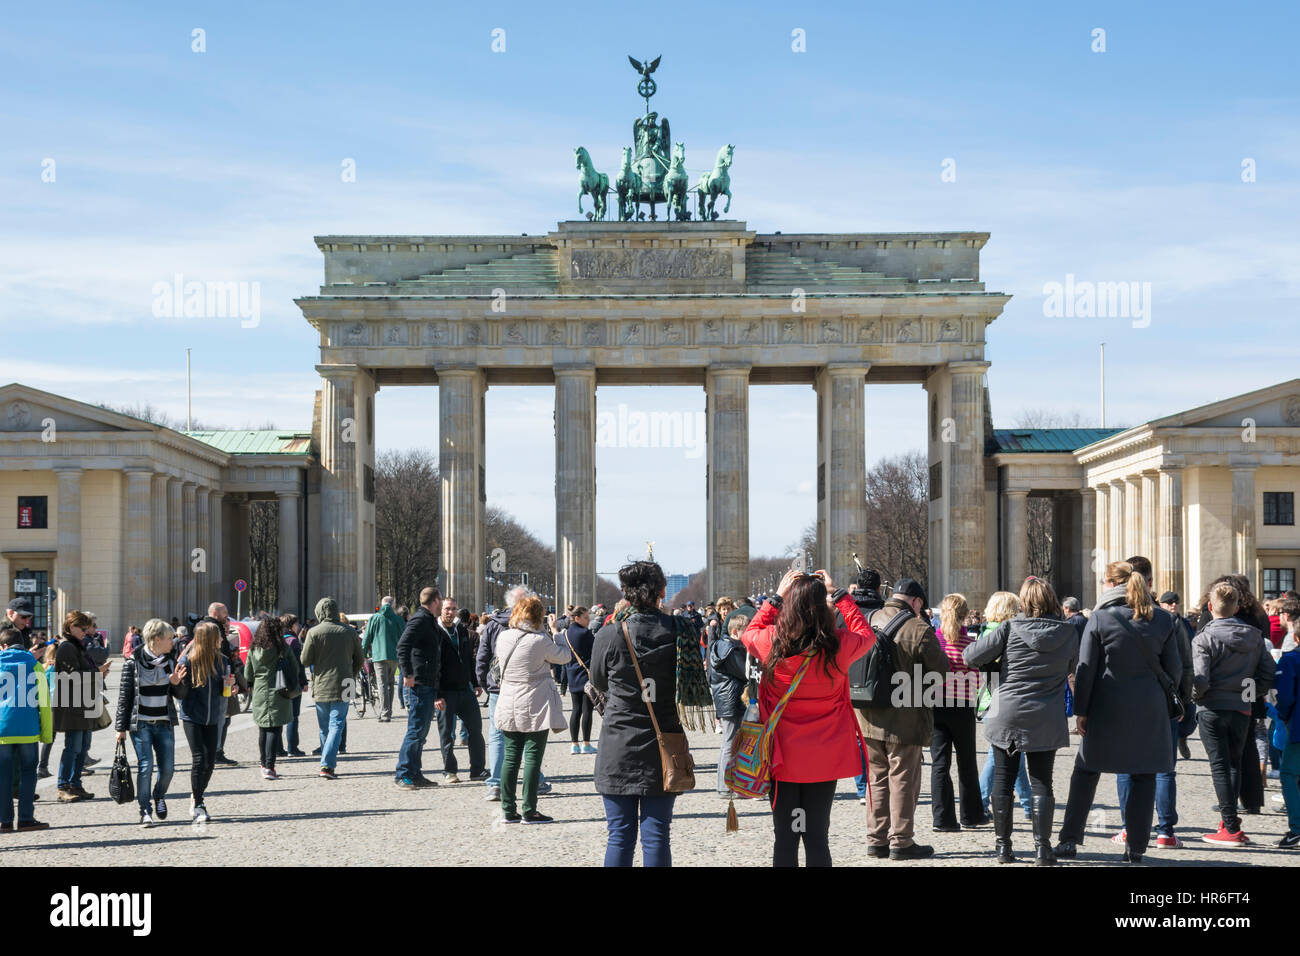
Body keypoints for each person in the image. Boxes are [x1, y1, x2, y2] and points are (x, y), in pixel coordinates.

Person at [740, 568, 874, 865]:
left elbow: (748, 633)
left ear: (790, 606)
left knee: (785, 838)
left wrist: (775, 598)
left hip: (783, 755)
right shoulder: (837, 646)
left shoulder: (773, 642)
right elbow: (866, 635)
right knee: (816, 837)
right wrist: (839, 595)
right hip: (824, 756)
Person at [1056, 562, 1180, 864]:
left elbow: (1085, 670)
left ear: (1112, 583)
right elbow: (1174, 670)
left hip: (1106, 706)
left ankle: (1070, 839)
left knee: (1085, 773)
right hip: (1149, 708)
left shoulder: (1099, 619)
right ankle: (1135, 848)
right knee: (1144, 775)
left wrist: (1081, 711)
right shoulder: (1163, 620)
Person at [591, 560, 711, 866]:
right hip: (664, 740)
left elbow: (598, 681)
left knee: (619, 834)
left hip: (619, 741)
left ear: (626, 593)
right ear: (661, 591)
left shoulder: (610, 633)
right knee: (657, 833)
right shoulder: (679, 630)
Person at [964, 577, 1078, 865]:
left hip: (1008, 712)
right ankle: (1043, 849)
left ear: (1024, 601)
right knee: (1042, 781)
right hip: (1046, 714)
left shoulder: (1009, 627)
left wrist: (997, 662)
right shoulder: (1068, 632)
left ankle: (1003, 848)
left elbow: (970, 656)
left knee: (1003, 779)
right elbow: (1072, 668)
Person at [856, 577, 949, 860]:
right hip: (905, 717)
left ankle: (876, 839)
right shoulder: (918, 627)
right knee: (903, 779)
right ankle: (901, 841)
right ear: (917, 601)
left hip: (868, 714)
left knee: (876, 778)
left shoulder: (869, 618)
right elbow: (941, 670)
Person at [1190, 580, 1275, 846]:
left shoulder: (1203, 637)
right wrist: (1250, 693)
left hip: (1213, 706)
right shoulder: (1255, 636)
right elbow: (1268, 673)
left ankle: (1229, 825)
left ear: (1210, 606)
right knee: (1234, 763)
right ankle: (1230, 820)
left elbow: (1200, 679)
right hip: (1241, 706)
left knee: (1219, 765)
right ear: (1237, 606)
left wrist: (1197, 696)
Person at [494, 594, 571, 823]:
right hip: (535, 702)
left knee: (510, 757)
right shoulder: (540, 640)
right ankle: (529, 809)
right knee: (532, 757)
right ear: (539, 616)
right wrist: (556, 633)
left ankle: (508, 810)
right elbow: (564, 657)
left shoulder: (504, 637)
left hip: (508, 700)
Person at [114, 618, 187, 827]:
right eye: (169, 638)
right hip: (142, 724)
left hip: (164, 723)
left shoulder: (172, 661)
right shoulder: (132, 662)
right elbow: (124, 696)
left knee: (168, 769)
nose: (173, 642)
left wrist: (176, 684)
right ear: (156, 639)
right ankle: (144, 810)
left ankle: (159, 794)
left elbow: (181, 695)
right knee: (146, 767)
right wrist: (120, 728)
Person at [931, 593, 987, 831]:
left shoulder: (935, 640)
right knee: (966, 762)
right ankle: (971, 815)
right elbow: (977, 676)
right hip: (962, 706)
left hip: (936, 704)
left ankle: (942, 819)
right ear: (965, 616)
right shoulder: (970, 644)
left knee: (939, 763)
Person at [977, 591, 1033, 819]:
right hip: (1003, 699)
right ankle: (979, 802)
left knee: (1013, 754)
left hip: (994, 699)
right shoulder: (1003, 633)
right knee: (999, 755)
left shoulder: (987, 631)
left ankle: (1030, 805)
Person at [300, 597, 365, 780]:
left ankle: (326, 762)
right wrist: (351, 673)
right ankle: (327, 765)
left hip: (321, 683)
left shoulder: (314, 632)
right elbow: (359, 659)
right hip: (346, 681)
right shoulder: (349, 631)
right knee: (337, 724)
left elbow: (305, 660)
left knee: (324, 727)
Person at [177, 621, 233, 822]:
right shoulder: (187, 662)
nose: (221, 639)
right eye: (218, 636)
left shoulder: (223, 660)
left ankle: (196, 794)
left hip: (214, 716)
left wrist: (230, 687)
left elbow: (223, 689)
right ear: (209, 639)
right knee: (199, 758)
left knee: (210, 762)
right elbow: (180, 694)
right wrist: (177, 682)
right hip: (193, 716)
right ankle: (199, 802)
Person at [53, 610, 110, 803]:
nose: (87, 631)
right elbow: (73, 677)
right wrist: (97, 674)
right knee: (73, 747)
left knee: (83, 746)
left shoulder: (78, 646)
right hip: (72, 706)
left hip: (84, 704)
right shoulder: (67, 647)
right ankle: (63, 786)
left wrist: (98, 673)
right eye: (83, 628)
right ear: (71, 627)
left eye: (88, 628)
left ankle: (76, 784)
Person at [0, 623, 52, 833]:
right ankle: (25, 818)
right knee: (29, 773)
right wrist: (47, 733)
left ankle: (4, 820)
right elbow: (45, 704)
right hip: (28, 729)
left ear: (3, 645)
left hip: (2, 730)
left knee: (3, 774)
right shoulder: (35, 665)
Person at [394, 587, 446, 790]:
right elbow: (402, 646)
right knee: (415, 731)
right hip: (419, 683)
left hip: (427, 681)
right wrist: (407, 674)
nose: (441, 602)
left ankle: (415, 773)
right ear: (435, 600)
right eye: (440, 599)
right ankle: (404, 773)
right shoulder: (420, 619)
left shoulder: (428, 619)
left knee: (421, 732)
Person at [432, 597, 486, 784]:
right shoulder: (434, 631)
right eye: (447, 609)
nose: (450, 612)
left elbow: (469, 659)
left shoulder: (462, 631)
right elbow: (432, 665)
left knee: (476, 731)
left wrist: (476, 682)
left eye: (454, 609)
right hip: (445, 691)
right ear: (440, 609)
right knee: (447, 734)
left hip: (465, 689)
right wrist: (436, 694)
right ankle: (450, 770)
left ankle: (478, 770)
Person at [244, 617, 296, 780]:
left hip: (260, 691)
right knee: (275, 729)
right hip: (279, 690)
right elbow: (294, 667)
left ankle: (263, 764)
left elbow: (248, 674)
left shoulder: (254, 649)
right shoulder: (282, 649)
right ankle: (269, 766)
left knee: (263, 728)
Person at [708, 612, 749, 796]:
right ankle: (725, 787)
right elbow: (744, 672)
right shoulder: (730, 649)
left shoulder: (724, 646)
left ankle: (730, 785)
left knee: (732, 743)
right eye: (745, 632)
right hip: (731, 699)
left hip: (728, 699)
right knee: (730, 743)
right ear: (735, 631)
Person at [1274, 629, 1300, 848]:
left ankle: (1297, 828)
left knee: (1289, 774)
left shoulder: (1290, 660)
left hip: (1298, 726)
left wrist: (1283, 716)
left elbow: (1285, 697)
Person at [562, 607, 598, 755]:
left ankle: (574, 744)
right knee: (587, 710)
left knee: (575, 710)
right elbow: (595, 652)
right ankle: (586, 744)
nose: (588, 620)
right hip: (585, 674)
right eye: (585, 617)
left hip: (572, 674)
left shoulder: (566, 633)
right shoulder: (585, 633)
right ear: (577, 618)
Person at [362, 597, 404, 722]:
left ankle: (385, 713)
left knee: (382, 684)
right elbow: (405, 636)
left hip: (379, 655)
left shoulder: (375, 618)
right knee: (390, 683)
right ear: (393, 605)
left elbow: (367, 637)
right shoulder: (398, 619)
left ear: (381, 604)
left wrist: (362, 653)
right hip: (394, 656)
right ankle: (388, 711)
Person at [280, 614, 309, 756]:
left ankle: (278, 748)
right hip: (293, 682)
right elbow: (299, 665)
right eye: (297, 625)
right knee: (293, 715)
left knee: (279, 716)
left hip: (279, 681)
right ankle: (292, 747)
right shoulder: (294, 642)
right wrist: (304, 682)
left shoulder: (277, 639)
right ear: (292, 625)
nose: (298, 628)